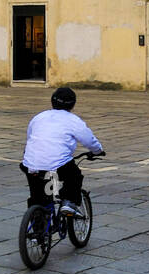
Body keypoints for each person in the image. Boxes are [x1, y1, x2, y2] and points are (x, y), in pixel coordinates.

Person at [19, 86, 105, 215]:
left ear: (52, 101)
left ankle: (37, 228)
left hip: (30, 164)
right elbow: (89, 140)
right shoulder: (74, 120)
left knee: (37, 197)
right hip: (58, 164)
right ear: (73, 104)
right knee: (74, 175)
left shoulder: (39, 117)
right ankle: (69, 202)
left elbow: (30, 137)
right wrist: (98, 151)